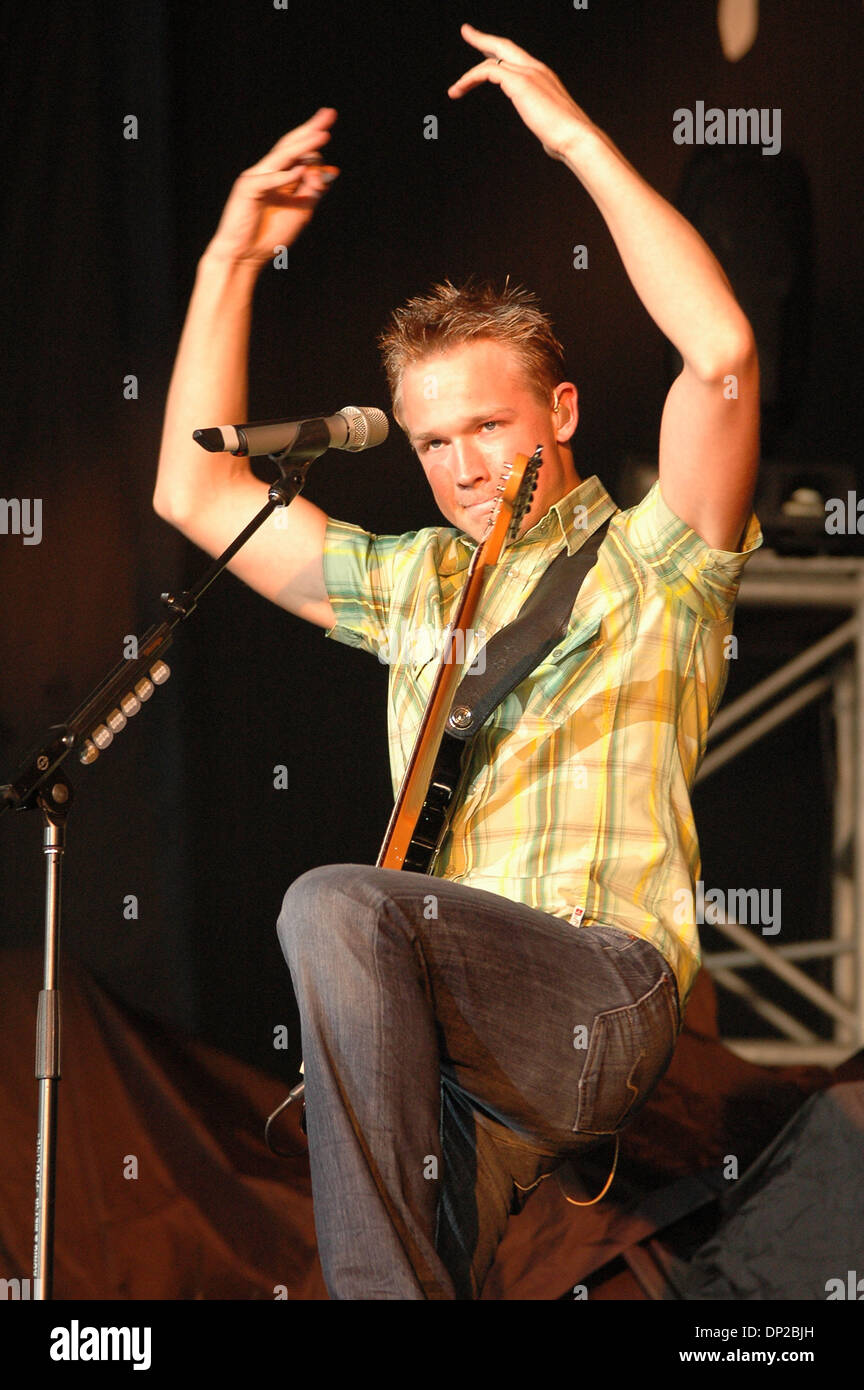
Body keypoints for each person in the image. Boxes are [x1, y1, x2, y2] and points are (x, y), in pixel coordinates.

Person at [154, 25, 762, 1300]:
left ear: (566, 412)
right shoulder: (421, 584)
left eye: (490, 425)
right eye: (435, 442)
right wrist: (231, 252)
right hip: (450, 1042)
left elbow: (719, 357)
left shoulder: (659, 560)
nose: (466, 467)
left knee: (335, 903)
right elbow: (199, 496)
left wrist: (576, 140)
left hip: (600, 992)